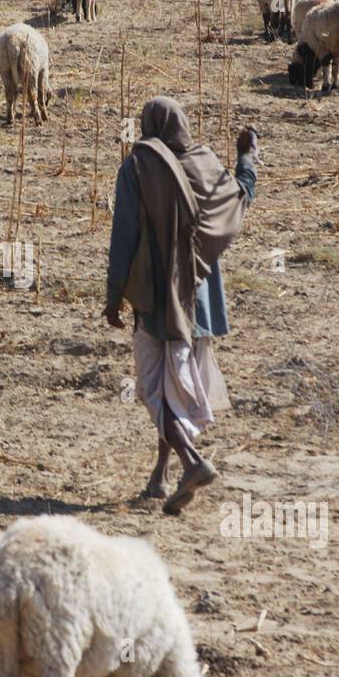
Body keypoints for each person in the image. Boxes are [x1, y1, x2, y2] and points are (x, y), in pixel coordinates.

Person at [105, 97, 258, 515]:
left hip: (161, 297)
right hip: (202, 297)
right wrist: (247, 156)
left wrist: (114, 294)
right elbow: (241, 197)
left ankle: (191, 462)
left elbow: (124, 236)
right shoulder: (206, 161)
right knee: (172, 386)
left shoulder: (138, 167)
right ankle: (160, 474)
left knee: (156, 388)